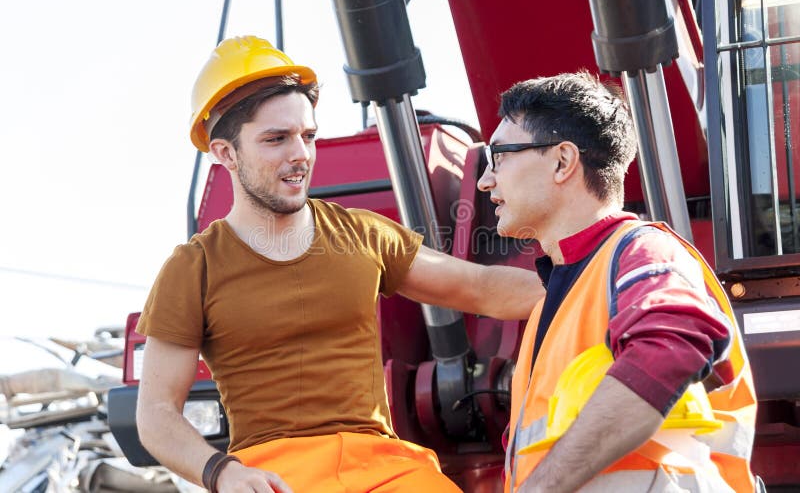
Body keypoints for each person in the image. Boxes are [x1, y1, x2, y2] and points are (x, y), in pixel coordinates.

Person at [135, 35, 544, 493]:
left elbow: (482, 288)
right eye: (276, 139)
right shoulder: (193, 269)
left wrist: (605, 278)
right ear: (225, 153)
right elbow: (155, 413)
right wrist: (222, 472)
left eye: (307, 136)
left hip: (386, 468)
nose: (300, 155)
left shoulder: (362, 233)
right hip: (273, 474)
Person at [477, 72, 758, 493]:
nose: (485, 181)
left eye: (499, 156)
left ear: (562, 161)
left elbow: (667, 351)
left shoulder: (641, 252)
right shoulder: (558, 301)